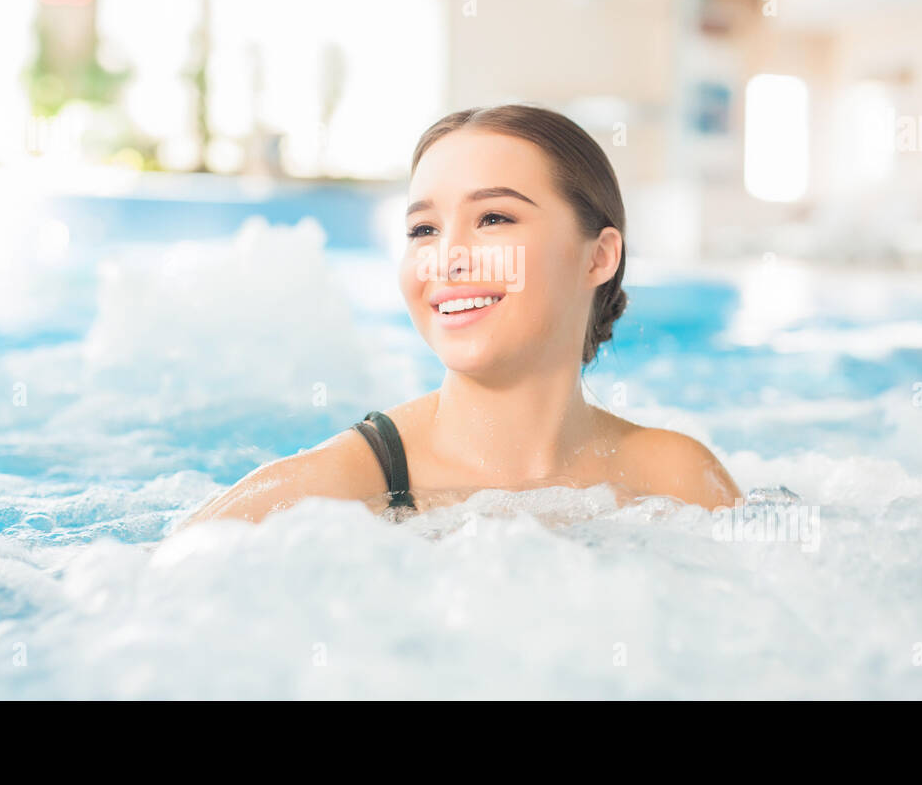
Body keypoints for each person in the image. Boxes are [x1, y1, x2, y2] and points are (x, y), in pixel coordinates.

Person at [181, 104, 741, 527]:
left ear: (599, 256)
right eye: (424, 229)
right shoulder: (323, 495)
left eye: (493, 218)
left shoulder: (675, 478)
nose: (447, 258)